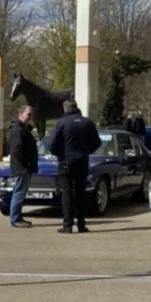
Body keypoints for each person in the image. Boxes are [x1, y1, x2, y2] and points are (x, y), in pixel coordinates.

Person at [47, 99, 102, 234]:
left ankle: (67, 225)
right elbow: (97, 143)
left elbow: (51, 144)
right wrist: (85, 152)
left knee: (66, 192)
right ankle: (81, 224)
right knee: (80, 193)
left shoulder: (61, 123)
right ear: (76, 108)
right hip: (82, 162)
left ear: (65, 109)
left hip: (65, 162)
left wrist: (60, 154)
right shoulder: (87, 122)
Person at [5, 104, 38, 228]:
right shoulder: (17, 130)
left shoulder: (23, 129)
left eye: (31, 115)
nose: (30, 117)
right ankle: (15, 219)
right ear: (21, 114)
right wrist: (27, 162)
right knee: (19, 193)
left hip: (24, 167)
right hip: (21, 167)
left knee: (20, 193)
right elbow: (16, 150)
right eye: (28, 114)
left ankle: (17, 217)